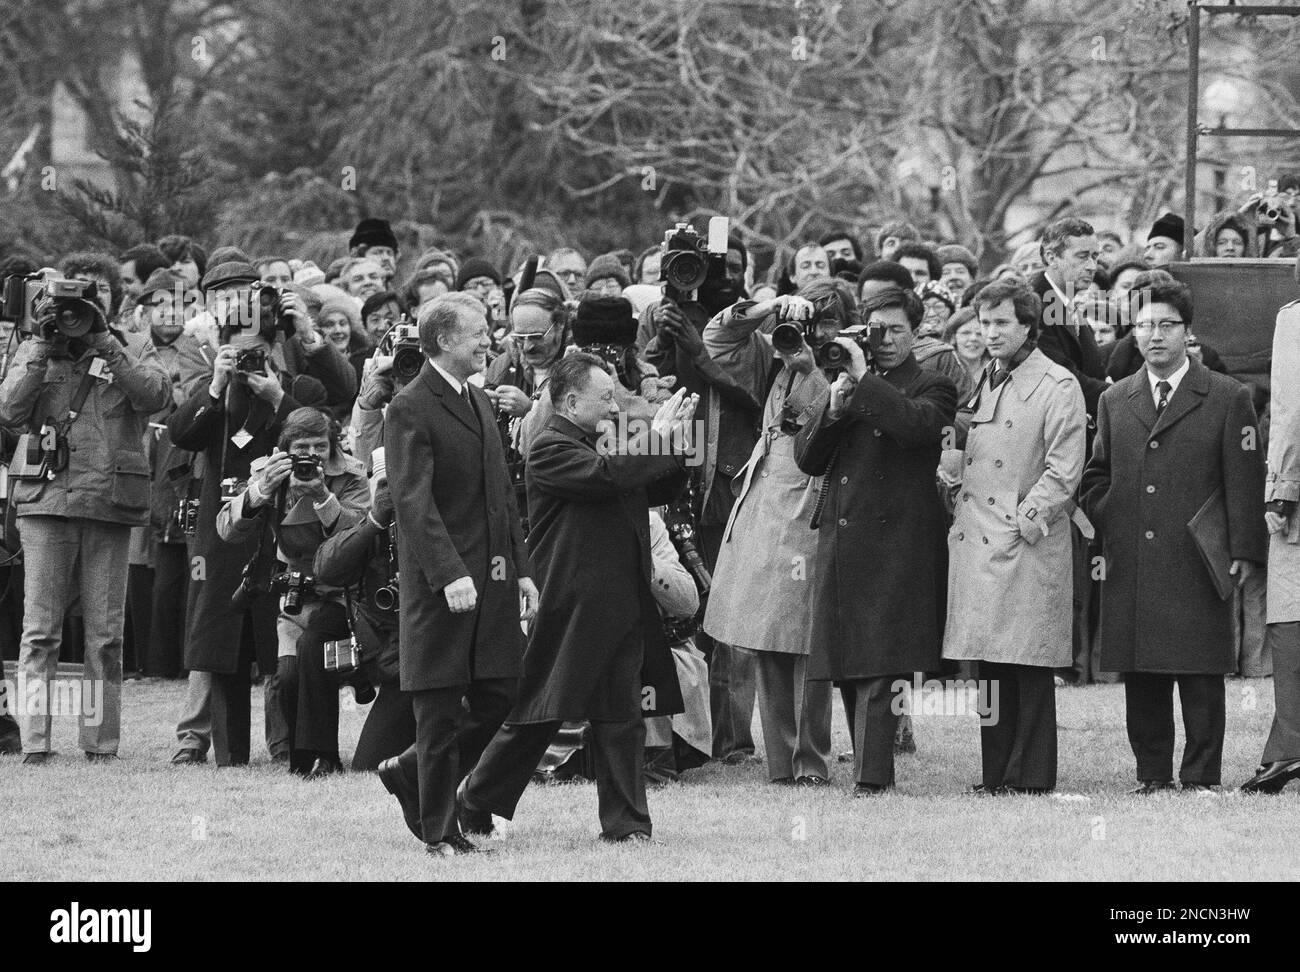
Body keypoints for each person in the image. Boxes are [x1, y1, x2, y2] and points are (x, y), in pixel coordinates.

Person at [456, 358, 697, 844]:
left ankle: (627, 825)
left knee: (620, 716)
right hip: (570, 604)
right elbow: (607, 476)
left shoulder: (596, 446)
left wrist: (676, 441)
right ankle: (474, 799)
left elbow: (651, 484)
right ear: (570, 402)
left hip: (617, 602)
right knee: (540, 712)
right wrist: (656, 437)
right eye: (605, 396)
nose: (615, 404)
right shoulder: (550, 448)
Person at [1080, 278, 1267, 793]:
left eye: (1167, 325)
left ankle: (1202, 776)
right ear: (1133, 334)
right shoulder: (1116, 399)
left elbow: (1245, 481)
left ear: (1188, 333)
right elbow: (1095, 476)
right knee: (1143, 675)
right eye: (1146, 326)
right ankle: (1152, 775)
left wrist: (1244, 550)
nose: (1156, 336)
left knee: (1201, 672)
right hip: (1132, 556)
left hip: (1200, 555)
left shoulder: (1228, 397)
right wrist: (1110, 514)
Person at [375, 293, 536, 856]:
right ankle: (439, 832)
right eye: (478, 333)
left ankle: (409, 773)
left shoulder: (480, 401)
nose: (489, 340)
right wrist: (448, 574)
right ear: (444, 340)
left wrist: (520, 571)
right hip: (443, 585)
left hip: (491, 580)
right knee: (440, 709)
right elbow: (411, 501)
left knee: (500, 691)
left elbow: (503, 496)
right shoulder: (409, 407)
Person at [0, 269, 171, 763]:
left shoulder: (133, 344)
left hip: (109, 502)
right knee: (39, 633)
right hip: (46, 502)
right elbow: (9, 410)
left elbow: (155, 396)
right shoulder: (36, 343)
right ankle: (34, 743)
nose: (79, 310)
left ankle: (99, 744)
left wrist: (104, 342)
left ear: (110, 301)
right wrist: (39, 344)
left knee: (105, 635)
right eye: (69, 301)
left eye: (92, 298)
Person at [794, 286, 958, 794]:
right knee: (845, 662)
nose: (883, 340)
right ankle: (869, 765)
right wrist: (836, 408)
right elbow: (807, 459)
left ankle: (873, 777)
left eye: (895, 331)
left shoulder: (933, 382)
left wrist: (863, 380)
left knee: (882, 663)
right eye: (875, 330)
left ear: (917, 332)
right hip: (843, 537)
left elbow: (917, 427)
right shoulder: (847, 381)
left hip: (897, 541)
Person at [166, 262, 324, 767]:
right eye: (244, 347)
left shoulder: (291, 384)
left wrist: (277, 395)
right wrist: (215, 385)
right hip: (223, 529)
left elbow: (319, 425)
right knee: (221, 641)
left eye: (261, 347)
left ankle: (283, 746)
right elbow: (180, 434)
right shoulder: (217, 386)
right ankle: (228, 752)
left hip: (282, 526)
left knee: (277, 634)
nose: (253, 357)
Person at [943, 278, 1088, 794]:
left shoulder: (1059, 385)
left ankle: (1030, 777)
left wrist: (1028, 516)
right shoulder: (989, 376)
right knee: (989, 664)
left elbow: (1065, 468)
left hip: (1025, 543)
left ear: (1029, 324)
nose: (991, 332)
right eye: (984, 322)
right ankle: (994, 774)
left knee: (1026, 663)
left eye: (1002, 322)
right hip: (980, 539)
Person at [703, 284, 836, 787]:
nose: (805, 334)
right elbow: (717, 337)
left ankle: (811, 763)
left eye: (818, 323)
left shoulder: (842, 361)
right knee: (766, 639)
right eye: (804, 321)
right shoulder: (771, 352)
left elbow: (834, 412)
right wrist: (771, 308)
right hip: (763, 509)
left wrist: (810, 366)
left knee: (806, 642)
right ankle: (782, 764)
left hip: (809, 509)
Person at [217, 407, 370, 776]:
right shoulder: (270, 472)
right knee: (287, 675)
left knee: (314, 653)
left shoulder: (352, 473)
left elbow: (361, 534)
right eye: (302, 446)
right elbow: (224, 529)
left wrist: (322, 497)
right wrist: (260, 491)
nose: (312, 455)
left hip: (341, 593)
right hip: (294, 593)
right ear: (286, 448)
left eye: (321, 445)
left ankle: (319, 756)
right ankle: (297, 755)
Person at [1241, 283, 1300, 794]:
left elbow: (1288, 408)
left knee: (1291, 612)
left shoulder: (1295, 319)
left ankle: (1289, 747)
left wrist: (1280, 489)